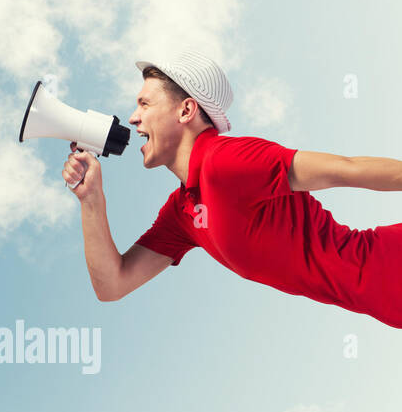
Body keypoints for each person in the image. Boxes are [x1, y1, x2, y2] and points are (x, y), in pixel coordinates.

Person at [63, 48, 402, 328]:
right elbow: (113, 285)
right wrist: (91, 200)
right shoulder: (182, 213)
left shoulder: (226, 160)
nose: (133, 118)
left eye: (145, 104)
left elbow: (347, 169)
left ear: (186, 110)